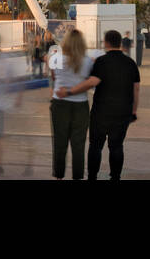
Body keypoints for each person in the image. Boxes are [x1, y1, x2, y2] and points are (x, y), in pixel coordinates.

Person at [60, 31, 141, 182]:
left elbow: (92, 82)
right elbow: (136, 89)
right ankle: (115, 177)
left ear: (106, 43)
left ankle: (92, 177)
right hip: (123, 112)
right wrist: (134, 111)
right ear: (120, 43)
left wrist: (70, 91)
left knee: (95, 146)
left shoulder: (101, 61)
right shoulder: (131, 63)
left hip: (101, 112)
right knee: (116, 146)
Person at [47, 27, 92, 180]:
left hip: (59, 104)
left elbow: (54, 78)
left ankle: (59, 176)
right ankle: (77, 177)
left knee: (60, 143)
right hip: (80, 105)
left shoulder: (55, 58)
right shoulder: (87, 61)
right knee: (78, 145)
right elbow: (88, 81)